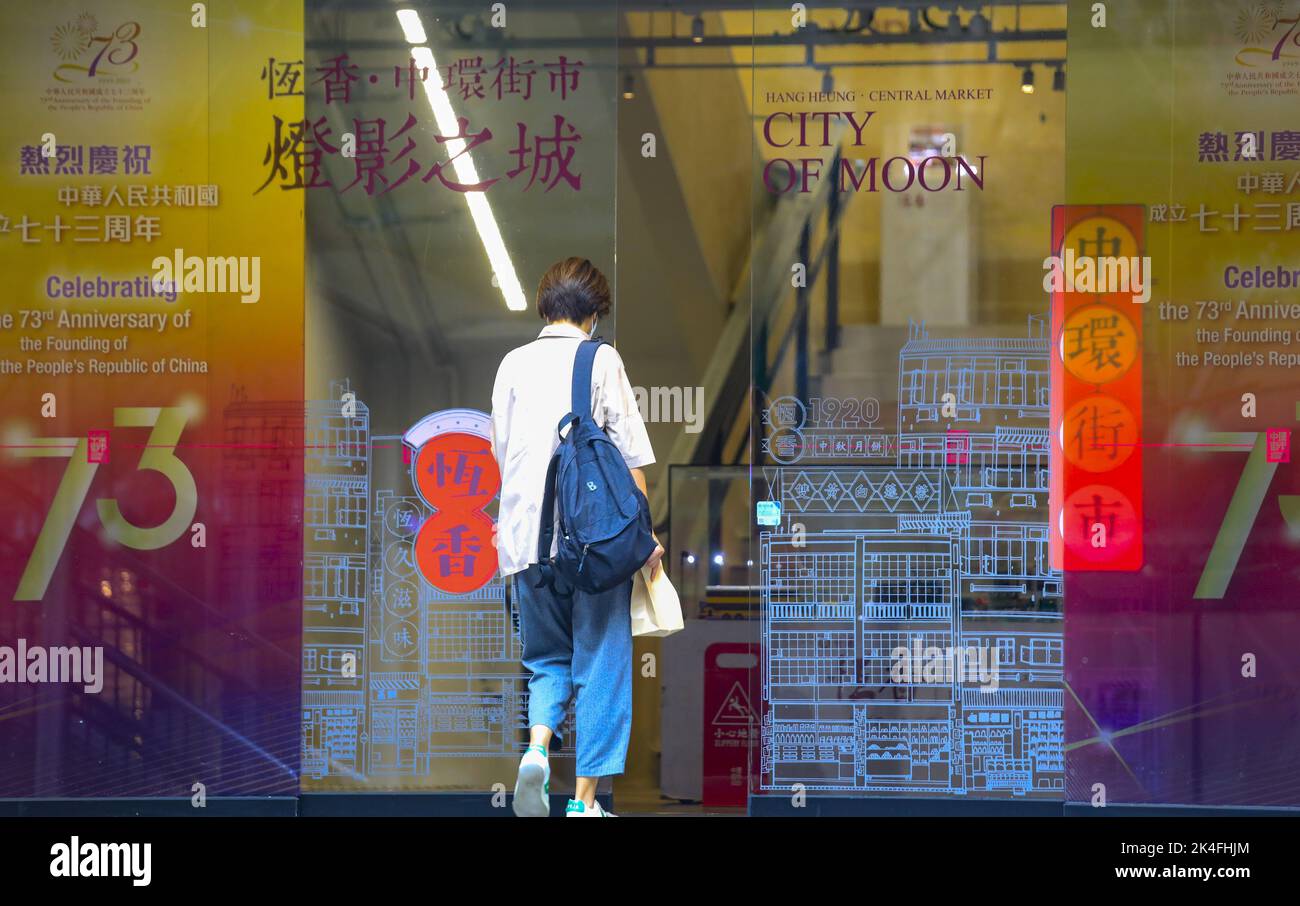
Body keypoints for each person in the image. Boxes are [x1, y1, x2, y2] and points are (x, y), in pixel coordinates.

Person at [490, 257, 664, 818]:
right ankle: (584, 805)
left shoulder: (511, 364)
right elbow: (629, 456)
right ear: (594, 313)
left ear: (544, 307)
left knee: (546, 662)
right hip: (591, 545)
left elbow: (502, 452)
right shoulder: (599, 358)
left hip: (523, 544)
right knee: (603, 667)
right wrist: (645, 536)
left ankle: (537, 749)